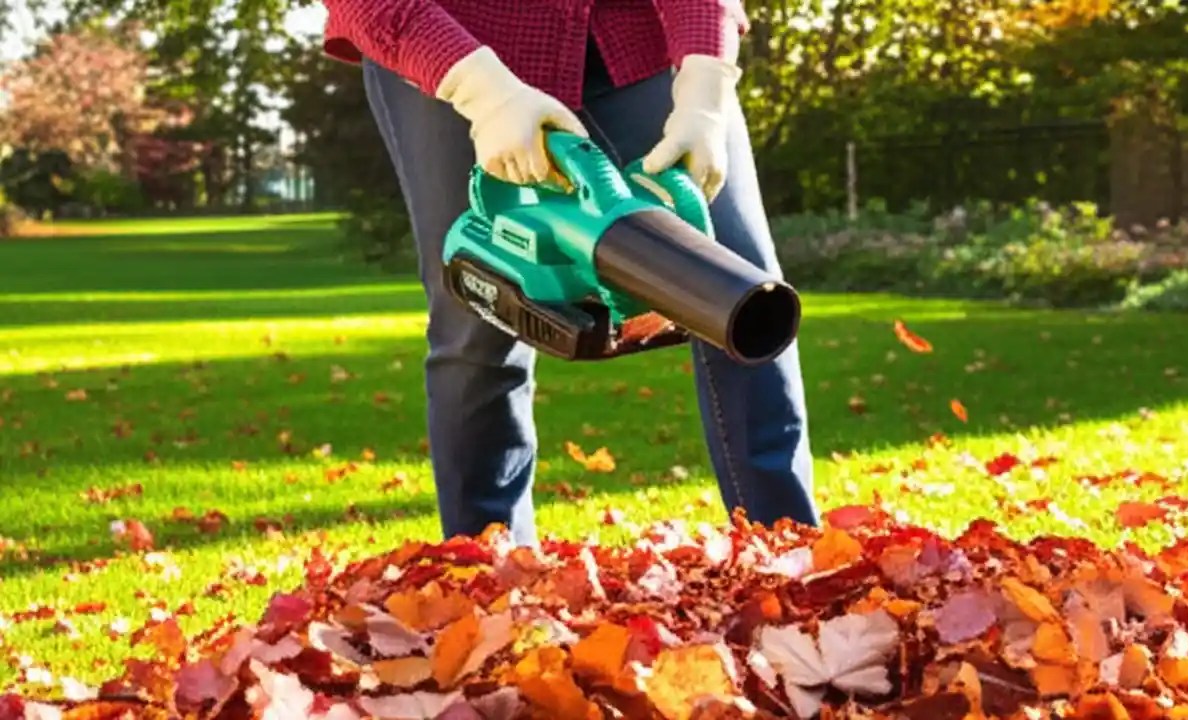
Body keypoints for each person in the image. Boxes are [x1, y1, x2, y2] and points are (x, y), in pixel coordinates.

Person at [319, 0, 820, 546]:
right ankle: (488, 570)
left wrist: (706, 90)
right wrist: (487, 96)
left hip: (632, 30)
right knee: (480, 314)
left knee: (742, 288)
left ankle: (787, 551)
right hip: (449, 32)